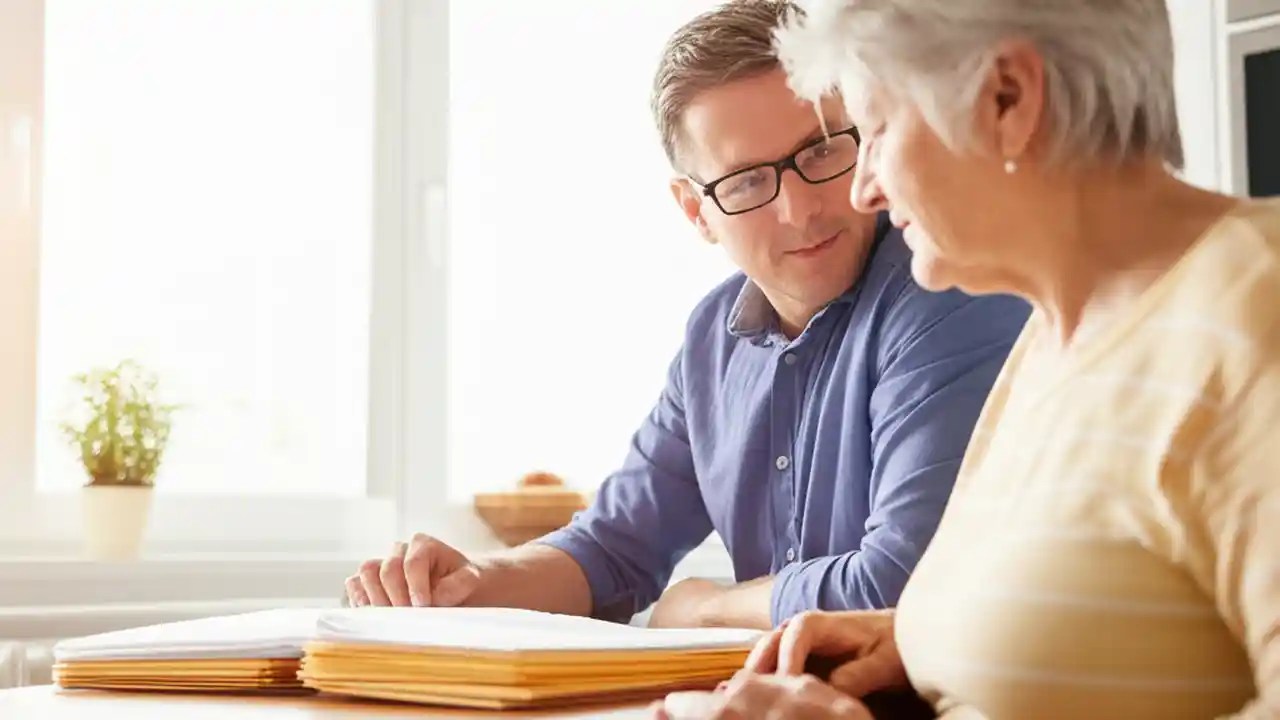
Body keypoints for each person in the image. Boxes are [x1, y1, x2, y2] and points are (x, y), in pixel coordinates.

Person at [653, 0, 1280, 717]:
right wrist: (913, 641)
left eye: (878, 127)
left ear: (1008, 99)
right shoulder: (1056, 342)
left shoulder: (1255, 313)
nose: (865, 188)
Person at [344, 0, 1027, 631]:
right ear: (696, 210)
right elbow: (613, 550)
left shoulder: (944, 287)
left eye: (821, 151)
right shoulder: (713, 338)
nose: (800, 209)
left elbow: (902, 584)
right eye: (748, 181)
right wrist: (471, 581)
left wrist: (710, 608)